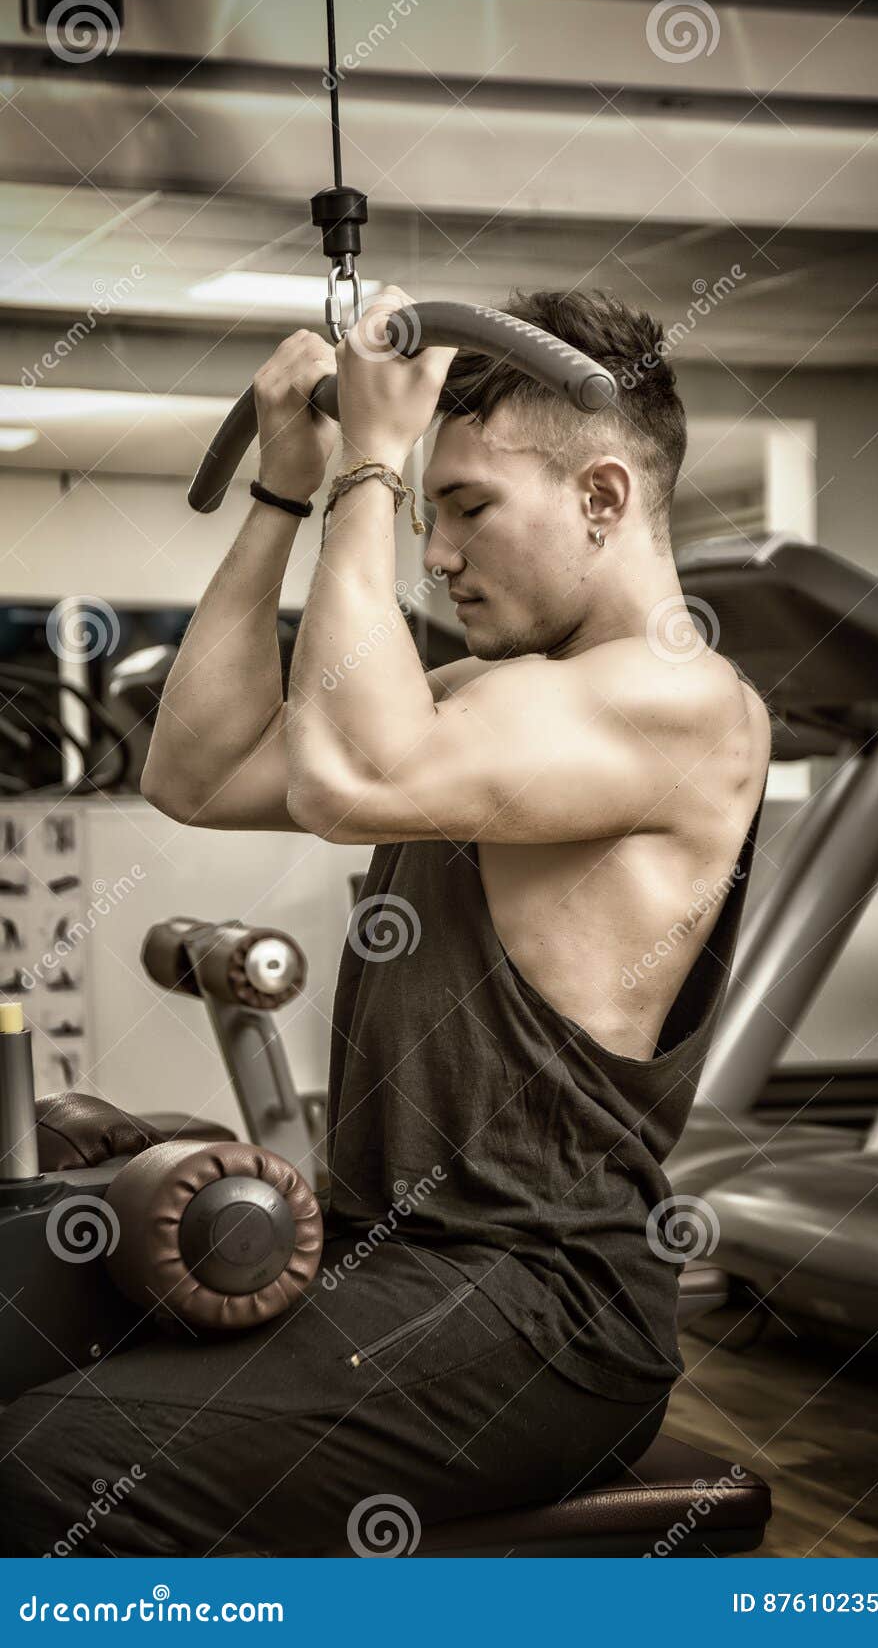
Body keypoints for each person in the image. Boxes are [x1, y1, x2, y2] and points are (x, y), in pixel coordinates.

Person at [0, 289, 769, 1557]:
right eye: (428, 517)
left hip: (535, 1309)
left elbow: (354, 776)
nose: (439, 555)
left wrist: (373, 458)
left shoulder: (684, 701)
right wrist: (283, 495)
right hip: (383, 1261)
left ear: (603, 499)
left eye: (467, 509)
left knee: (43, 1467)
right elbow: (193, 771)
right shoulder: (492, 697)